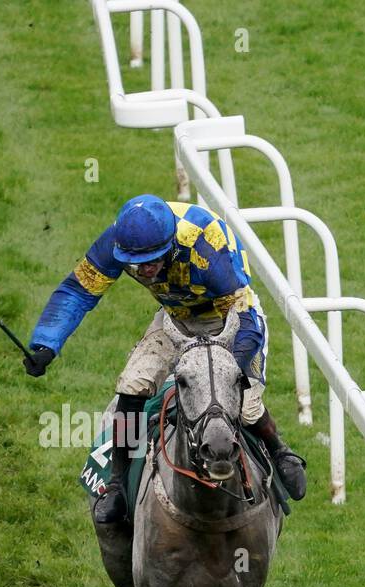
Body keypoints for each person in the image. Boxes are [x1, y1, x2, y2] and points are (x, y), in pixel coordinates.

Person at [27, 194, 307, 523]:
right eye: (135, 264)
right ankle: (116, 483)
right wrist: (46, 343)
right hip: (174, 319)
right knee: (133, 385)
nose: (144, 272)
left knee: (240, 402)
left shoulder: (205, 243)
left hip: (230, 319)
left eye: (152, 261)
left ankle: (278, 449)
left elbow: (242, 314)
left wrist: (231, 366)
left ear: (170, 244)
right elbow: (79, 289)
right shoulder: (118, 239)